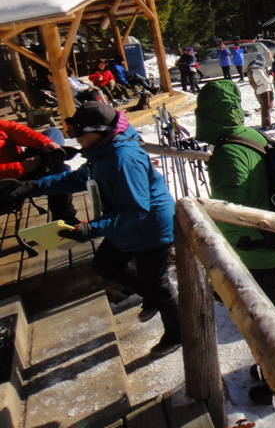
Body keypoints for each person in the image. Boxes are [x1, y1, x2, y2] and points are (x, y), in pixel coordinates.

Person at [0, 103, 180, 356]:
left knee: (158, 283)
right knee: (105, 265)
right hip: (123, 225)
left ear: (96, 131)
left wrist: (92, 229)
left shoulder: (122, 159)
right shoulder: (102, 151)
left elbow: (136, 209)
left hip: (151, 229)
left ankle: (177, 331)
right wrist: (30, 187)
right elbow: (75, 179)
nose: (74, 139)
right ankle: (149, 294)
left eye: (78, 133)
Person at [195, 80, 275, 404]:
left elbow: (228, 215)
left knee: (264, 323)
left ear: (208, 115)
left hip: (255, 252)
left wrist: (220, 254)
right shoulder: (252, 134)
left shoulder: (227, 154)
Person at [0, 119, 78, 224]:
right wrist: (21, 168)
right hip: (7, 186)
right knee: (61, 170)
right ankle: (64, 218)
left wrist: (44, 143)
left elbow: (15, 130)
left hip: (21, 162)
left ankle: (49, 156)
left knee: (53, 132)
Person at [247, 53, 273, 129]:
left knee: (265, 107)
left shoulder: (253, 69)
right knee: (266, 107)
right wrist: (271, 76)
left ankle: (266, 123)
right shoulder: (258, 70)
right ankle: (267, 124)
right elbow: (266, 81)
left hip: (260, 89)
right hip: (263, 89)